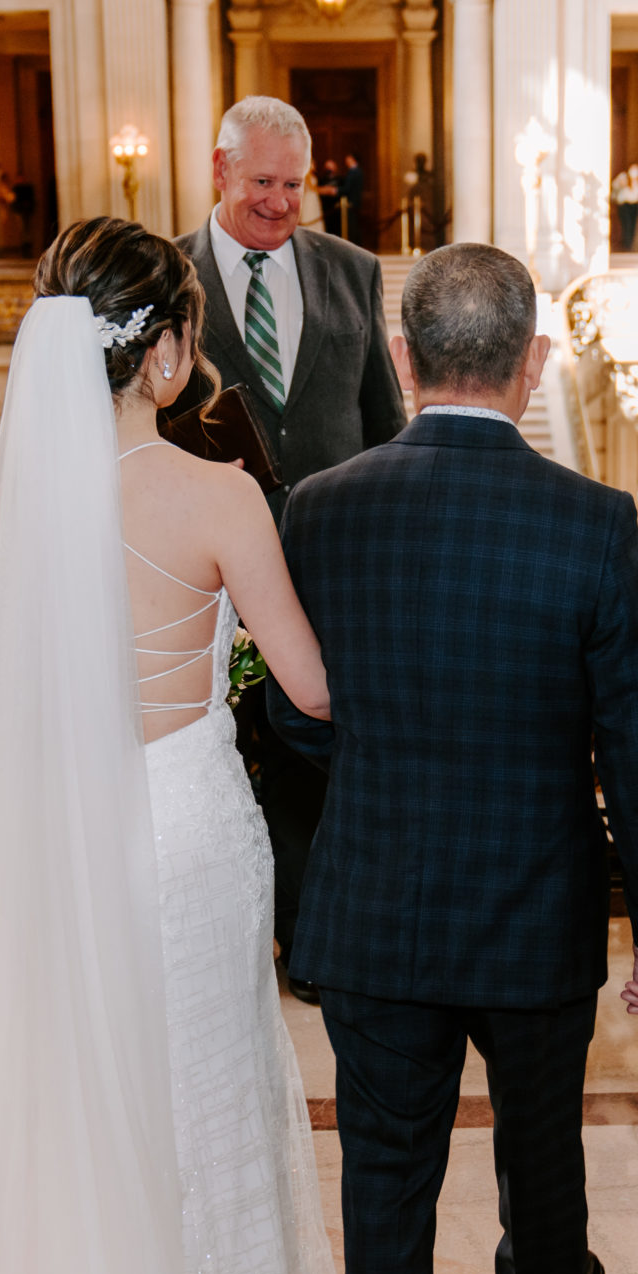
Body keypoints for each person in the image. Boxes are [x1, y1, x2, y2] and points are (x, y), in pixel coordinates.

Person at [267, 242, 638, 1274]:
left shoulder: (315, 508)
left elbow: (295, 716)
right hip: (533, 904)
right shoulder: (594, 518)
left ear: (400, 357)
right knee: (539, 1152)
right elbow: (635, 742)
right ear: (533, 360)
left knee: (383, 1171)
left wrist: (376, 766)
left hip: (370, 907)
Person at [0, 217, 343, 1274]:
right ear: (168, 352)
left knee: (89, 1086)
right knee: (206, 1084)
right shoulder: (216, 495)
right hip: (185, 827)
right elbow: (311, 687)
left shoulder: (8, 513)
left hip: (63, 839)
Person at [175, 96, 408, 1003]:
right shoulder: (171, 273)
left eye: (294, 185)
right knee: (224, 756)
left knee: (316, 755)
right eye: (263, 182)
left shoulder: (353, 269)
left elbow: (384, 421)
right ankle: (233, 943)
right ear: (221, 170)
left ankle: (311, 939)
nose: (280, 202)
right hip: (205, 570)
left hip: (328, 566)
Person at [611, 163, 638, 252]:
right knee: (626, 223)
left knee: (632, 224)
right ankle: (625, 243)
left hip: (634, 205)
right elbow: (614, 185)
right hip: (624, 204)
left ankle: (629, 244)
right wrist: (621, 183)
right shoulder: (623, 177)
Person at [337, 152, 365, 244]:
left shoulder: (354, 172)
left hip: (352, 202)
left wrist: (336, 190)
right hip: (354, 201)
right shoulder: (354, 171)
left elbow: (348, 188)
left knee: (353, 226)